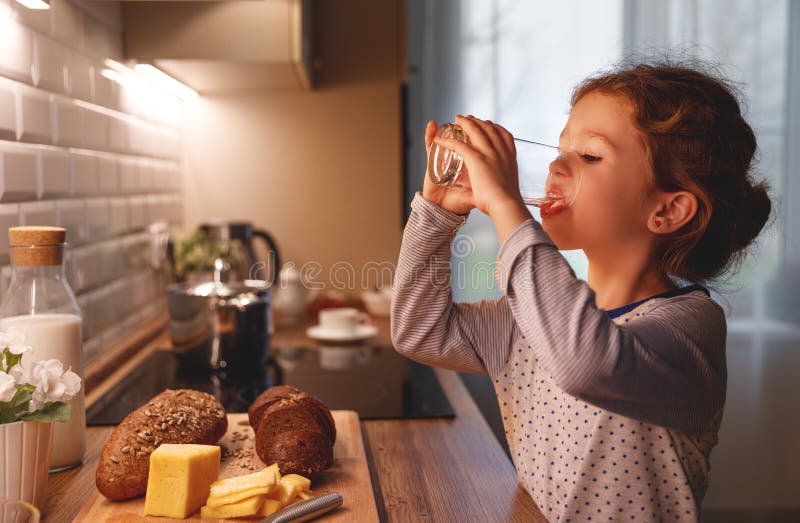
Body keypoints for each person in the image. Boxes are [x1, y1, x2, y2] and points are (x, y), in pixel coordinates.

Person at [390, 61, 772, 522]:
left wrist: (507, 205)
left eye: (589, 156)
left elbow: (585, 360)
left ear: (668, 210)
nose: (555, 165)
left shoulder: (689, 329)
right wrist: (436, 213)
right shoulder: (527, 322)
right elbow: (419, 331)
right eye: (559, 149)